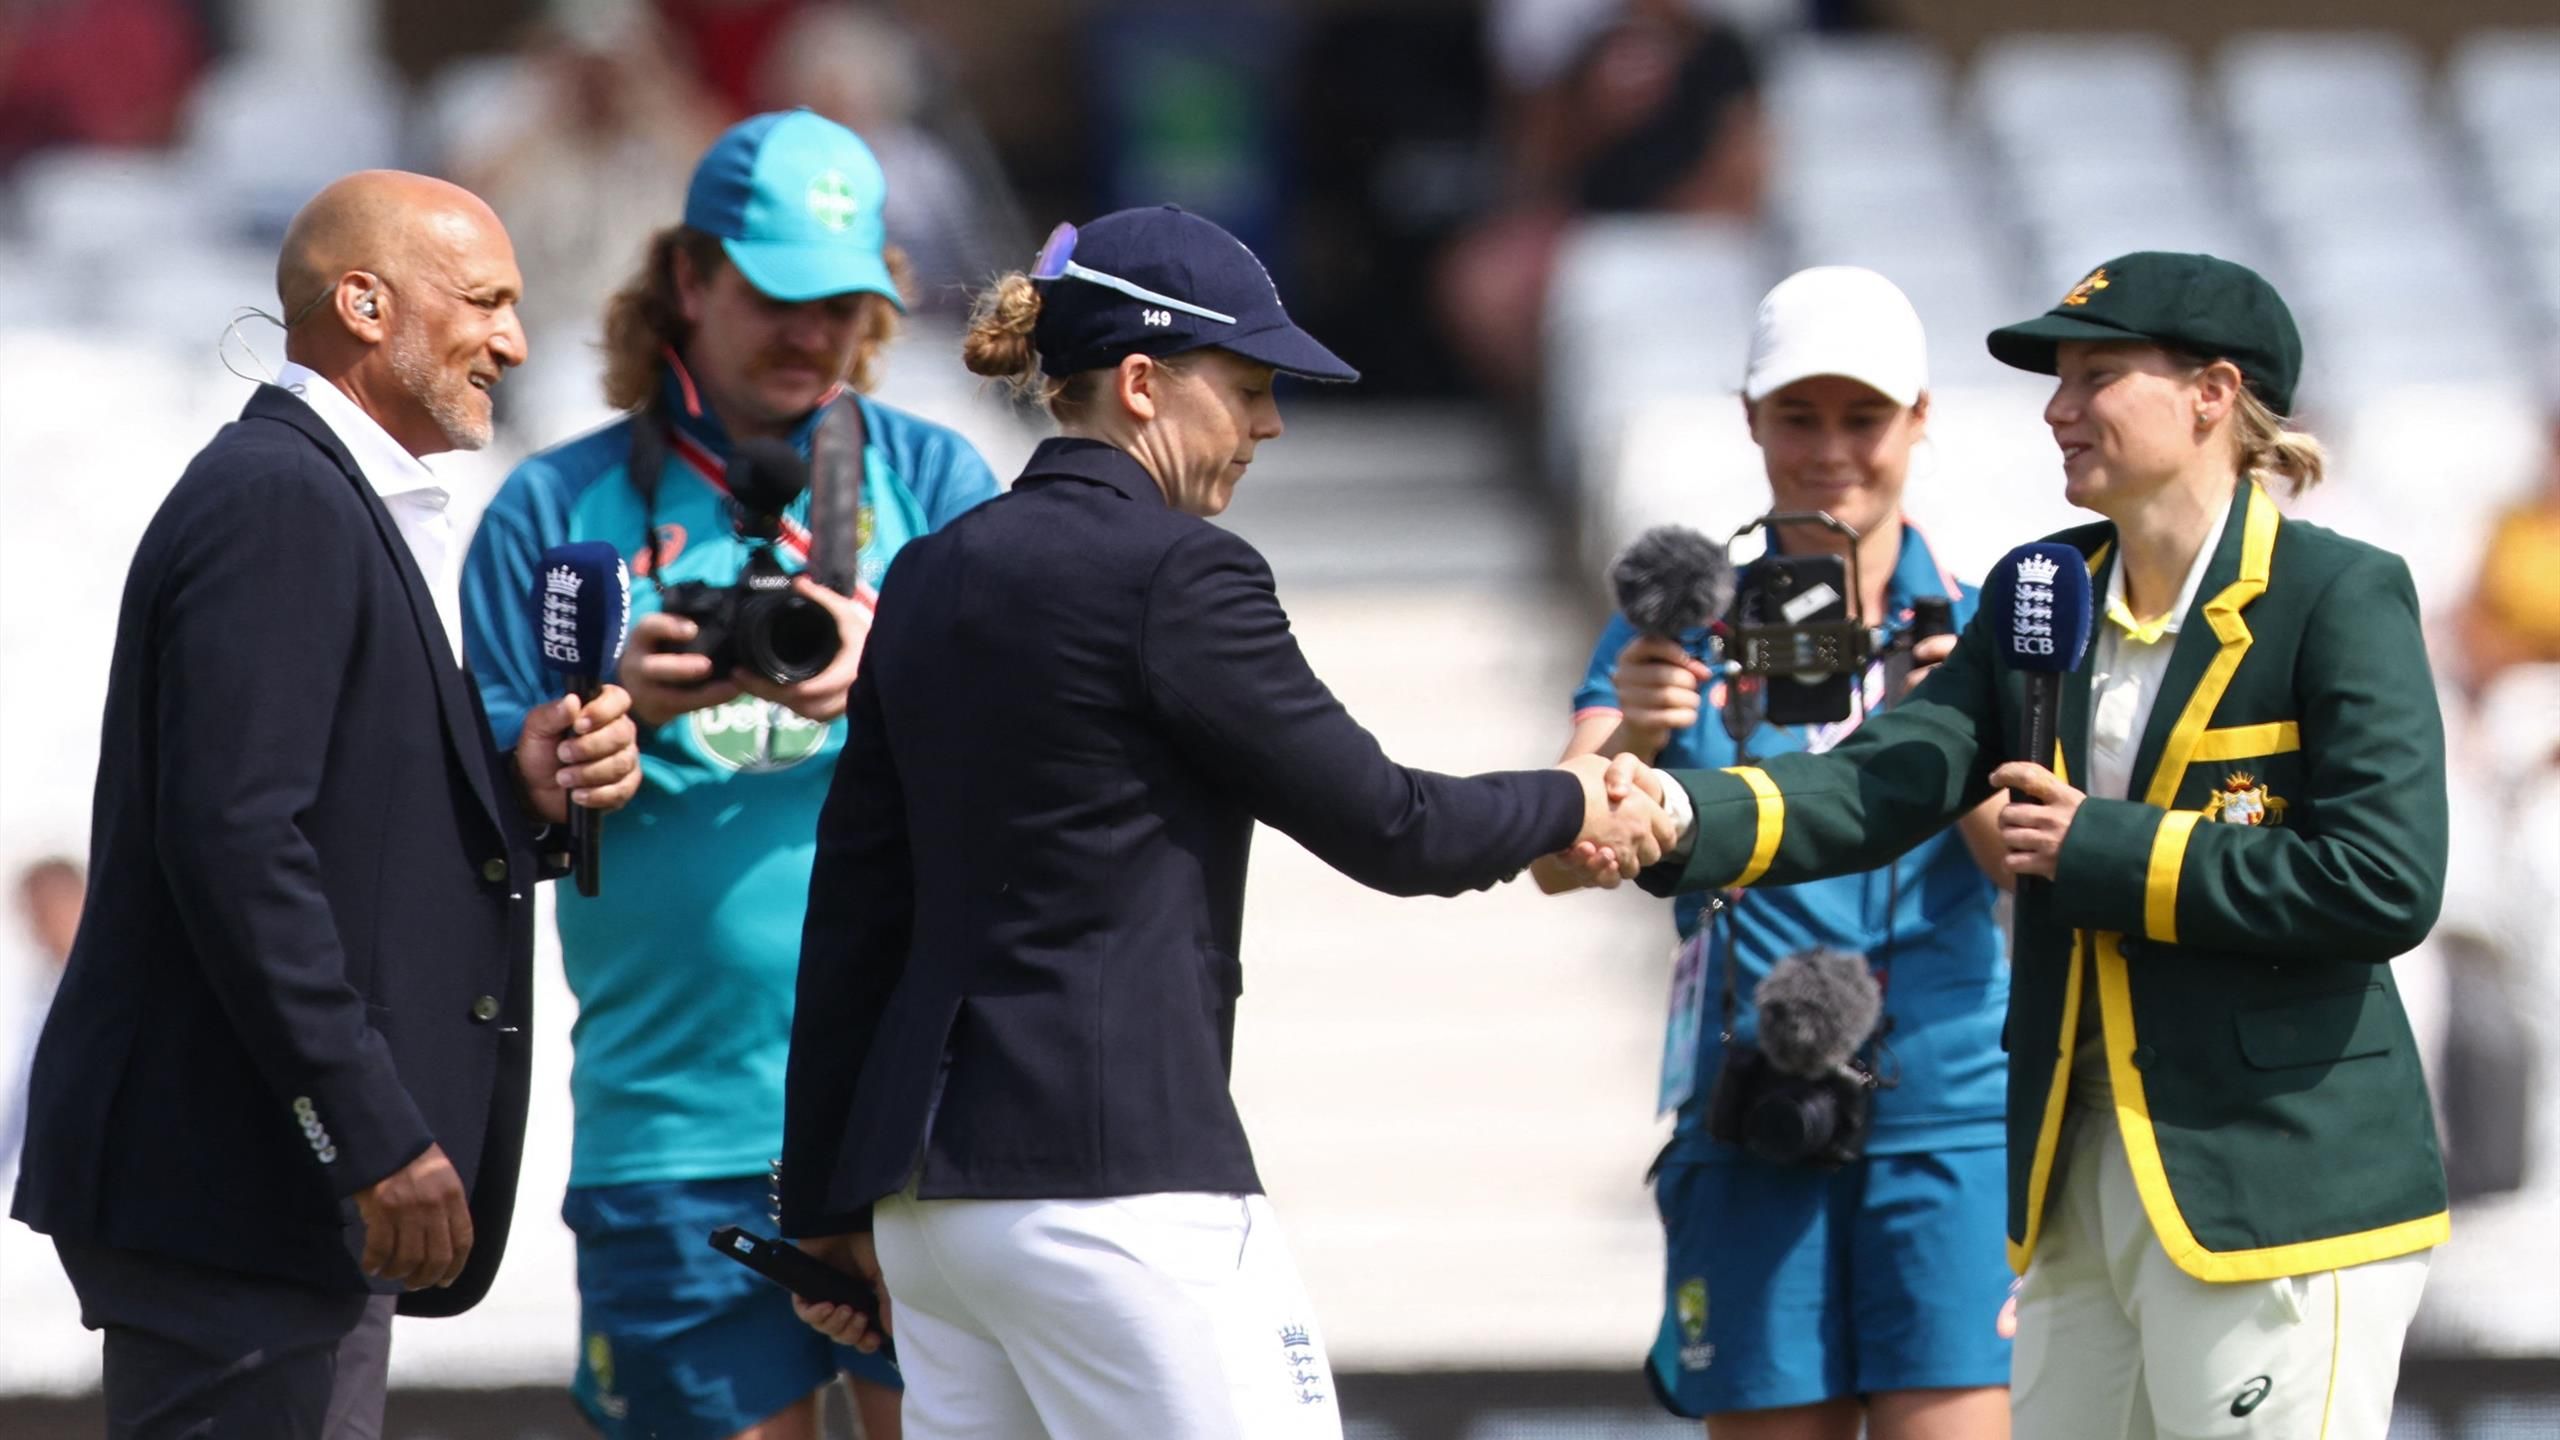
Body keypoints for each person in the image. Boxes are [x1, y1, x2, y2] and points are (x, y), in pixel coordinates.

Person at [778, 204, 1676, 1439]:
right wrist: (1577, 794)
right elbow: (1393, 825)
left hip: (930, 1216)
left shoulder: (933, 571)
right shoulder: (1178, 573)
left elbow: (855, 904)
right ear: (1142, 383)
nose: (1269, 424)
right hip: (1116, 1185)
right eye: (1248, 386)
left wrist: (827, 1198)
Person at [1577, 252, 2448, 1439]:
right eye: (2058, 380)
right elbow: (1880, 782)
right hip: (2075, 1183)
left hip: (2271, 1186)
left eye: (2095, 376)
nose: (2055, 408)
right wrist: (1680, 816)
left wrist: (2106, 847)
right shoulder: (2041, 592)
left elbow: (2384, 882)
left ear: (2211, 393)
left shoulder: (2338, 593)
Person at [10, 170, 644, 1439]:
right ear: (363, 303)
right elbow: (235, 841)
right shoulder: (280, 498)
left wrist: (516, 795)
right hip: (246, 1191)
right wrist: (363, 1126)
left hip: (272, 1200)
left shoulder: (319, 497)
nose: (516, 342)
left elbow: (331, 832)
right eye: (485, 301)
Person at [461, 109, 1000, 1440]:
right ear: (689, 277)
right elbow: (477, 801)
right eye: (776, 294)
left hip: (915, 1116)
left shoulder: (939, 479)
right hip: (671, 1117)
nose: (813, 332)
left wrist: (893, 678)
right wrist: (591, 721)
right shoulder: (551, 506)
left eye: (843, 301)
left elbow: (1042, 777)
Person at [1546, 266, 2012, 1439]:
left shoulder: (1980, 619)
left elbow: (2021, 862)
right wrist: (1643, 724)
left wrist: (1943, 718)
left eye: (1863, 417)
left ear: (1919, 419)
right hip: (1752, 1091)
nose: (1830, 452)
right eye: (1797, 416)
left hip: (1945, 1100)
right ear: (1748, 417)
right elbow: (1556, 851)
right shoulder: (1679, 622)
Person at [0, 857, 82, 1192]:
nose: (36, 931)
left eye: (39, 913)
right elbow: (25, 1094)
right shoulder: (45, 994)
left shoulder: (127, 986)